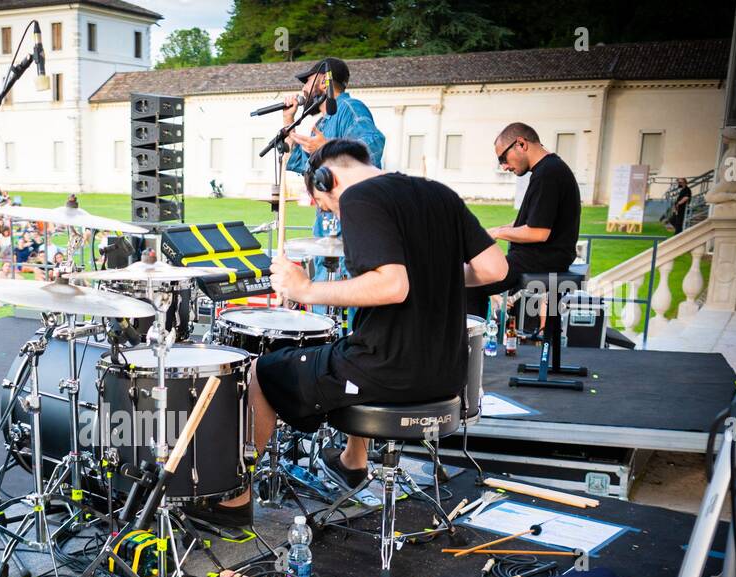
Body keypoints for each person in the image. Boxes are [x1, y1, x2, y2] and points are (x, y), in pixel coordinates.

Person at [198, 138, 508, 526]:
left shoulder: (359, 198)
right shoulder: (439, 194)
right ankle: (352, 461)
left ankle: (232, 504)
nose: (323, 209)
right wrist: (435, 274)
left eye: (320, 201)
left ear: (327, 178)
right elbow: (496, 268)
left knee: (262, 371)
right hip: (447, 377)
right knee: (346, 350)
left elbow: (393, 286)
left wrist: (304, 289)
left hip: (389, 372)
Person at [281, 58, 386, 298]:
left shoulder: (351, 108)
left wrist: (328, 145)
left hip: (351, 222)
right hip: (326, 224)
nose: (303, 90)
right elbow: (297, 162)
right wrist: (288, 121)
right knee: (323, 291)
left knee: (344, 294)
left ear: (322, 81)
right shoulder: (321, 122)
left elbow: (373, 146)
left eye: (306, 82)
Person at [465, 122, 581, 321]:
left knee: (467, 281)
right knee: (471, 272)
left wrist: (496, 233)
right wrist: (488, 232)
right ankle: (473, 340)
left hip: (541, 260)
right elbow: (529, 222)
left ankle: (470, 346)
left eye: (503, 158)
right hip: (537, 257)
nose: (504, 166)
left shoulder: (548, 173)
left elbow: (538, 232)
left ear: (521, 144)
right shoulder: (547, 170)